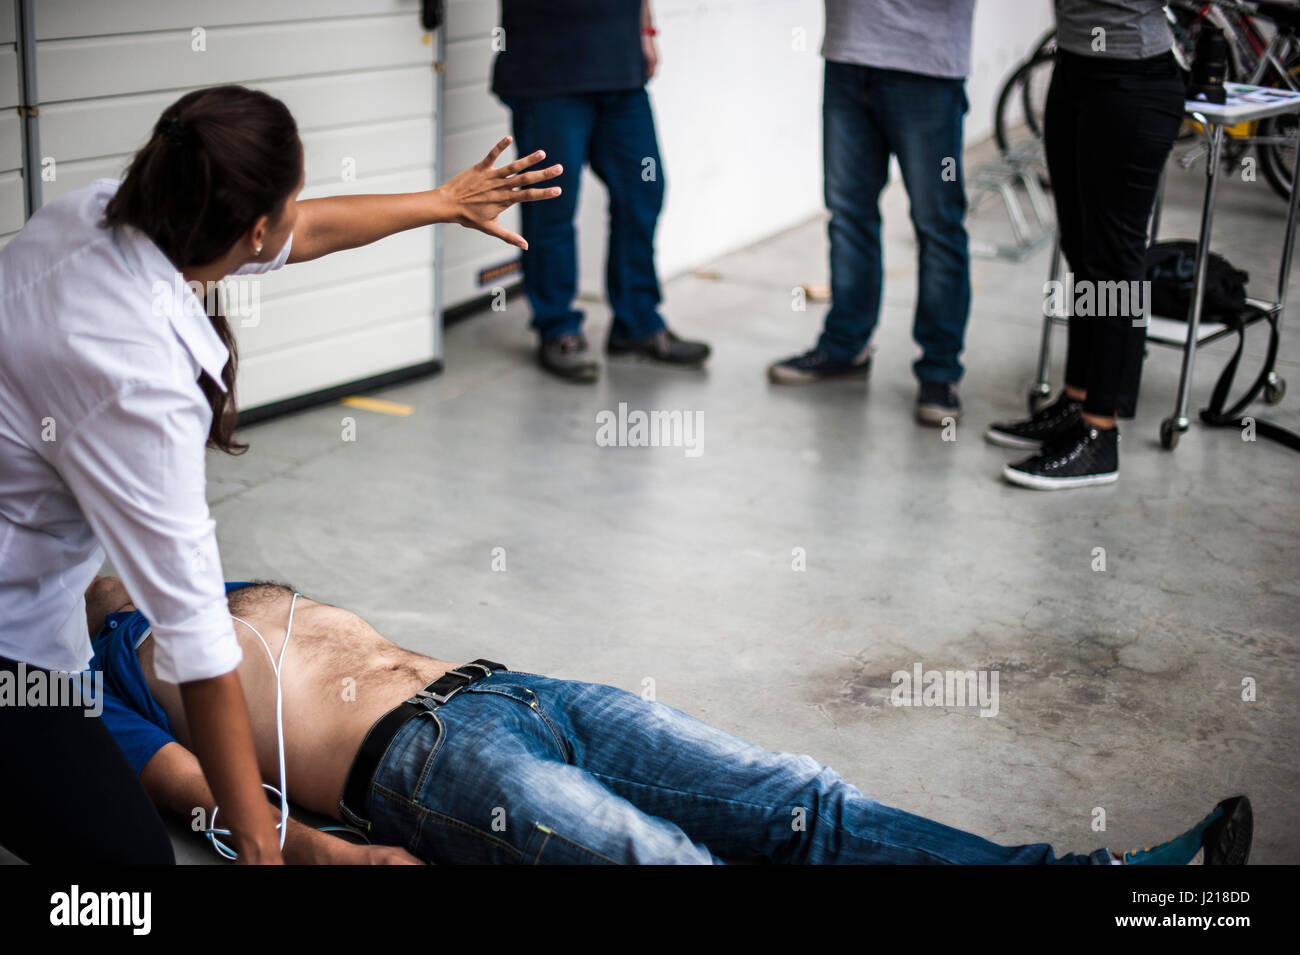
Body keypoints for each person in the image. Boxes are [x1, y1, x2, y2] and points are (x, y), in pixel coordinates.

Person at [0, 84, 561, 864]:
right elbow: (198, 648)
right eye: (290, 200)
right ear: (253, 228)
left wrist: (442, 201)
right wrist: (266, 852)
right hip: (8, 644)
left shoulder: (102, 213)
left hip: (31, 602)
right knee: (128, 881)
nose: (300, 214)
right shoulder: (139, 385)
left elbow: (313, 227)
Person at [74, 574, 1253, 865]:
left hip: (525, 691)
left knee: (801, 798)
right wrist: (324, 852)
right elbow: (202, 796)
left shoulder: (208, 570)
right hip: (421, 768)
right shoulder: (95, 680)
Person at [986, 0, 1184, 489]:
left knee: (1115, 264)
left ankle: (1101, 433)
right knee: (1083, 254)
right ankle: (1076, 401)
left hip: (1132, 80)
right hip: (1074, 69)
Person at [768, 0, 974, 427]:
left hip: (926, 65)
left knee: (937, 224)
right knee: (848, 213)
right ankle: (845, 345)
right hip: (848, 55)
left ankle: (940, 371)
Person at [492, 0, 711, 381]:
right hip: (546, 71)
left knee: (643, 191)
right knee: (552, 205)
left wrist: (646, 30)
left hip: (620, 68)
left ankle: (637, 324)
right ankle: (558, 328)